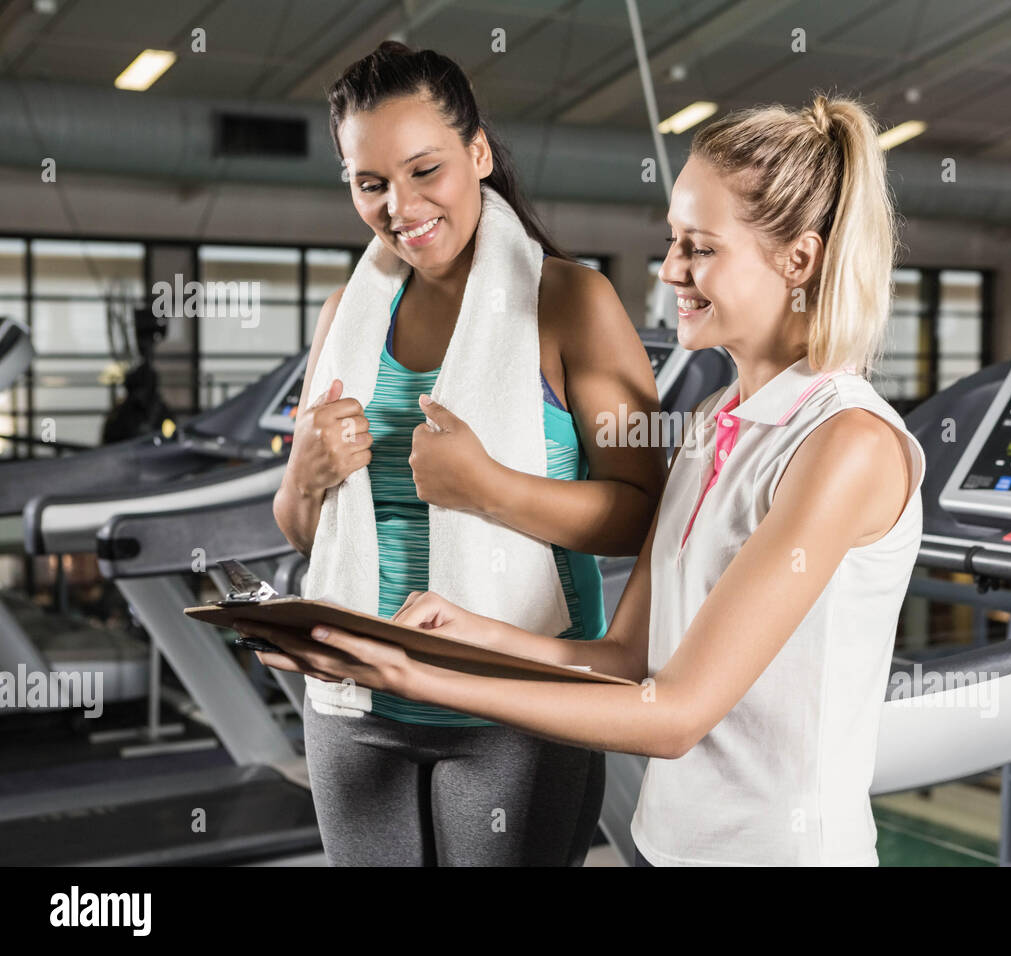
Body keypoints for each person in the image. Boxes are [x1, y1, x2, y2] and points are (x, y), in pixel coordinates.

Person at [251, 93, 925, 866]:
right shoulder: (710, 422)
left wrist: (414, 674)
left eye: (699, 248)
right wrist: (469, 634)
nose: (670, 269)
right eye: (672, 241)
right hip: (667, 850)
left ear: (797, 261)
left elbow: (673, 715)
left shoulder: (848, 442)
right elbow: (626, 658)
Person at [270, 41, 666, 866]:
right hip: (355, 702)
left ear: (477, 153)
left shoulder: (569, 301)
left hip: (513, 708)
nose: (399, 206)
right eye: (369, 183)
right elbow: (300, 527)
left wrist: (490, 489)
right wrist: (305, 477)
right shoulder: (348, 312)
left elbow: (646, 515)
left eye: (425, 171)